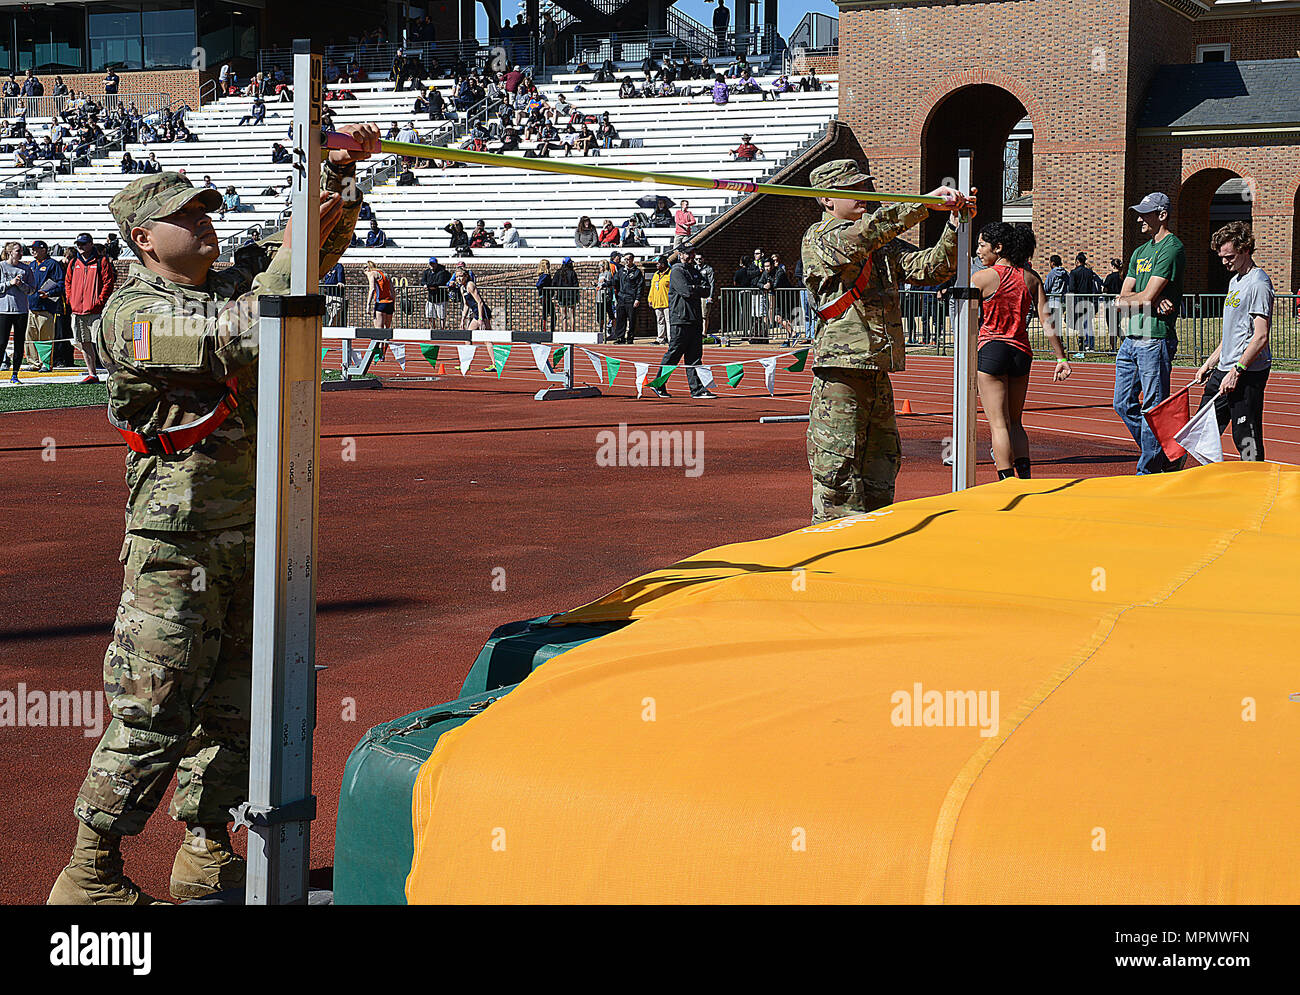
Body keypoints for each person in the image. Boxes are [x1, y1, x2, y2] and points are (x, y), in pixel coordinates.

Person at [46, 124, 379, 906]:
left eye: (207, 209)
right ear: (143, 238)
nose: (205, 221)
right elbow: (248, 334)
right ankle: (89, 872)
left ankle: (205, 848)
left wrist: (337, 168)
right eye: (185, 215)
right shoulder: (134, 311)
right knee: (156, 704)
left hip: (250, 534)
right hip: (175, 540)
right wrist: (294, 251)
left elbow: (313, 248)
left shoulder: (224, 281)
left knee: (238, 704)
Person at [801, 159, 971, 522]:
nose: (863, 195)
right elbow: (864, 235)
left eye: (864, 187)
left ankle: (874, 541)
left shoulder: (880, 242)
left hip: (876, 365)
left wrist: (954, 226)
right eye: (851, 190)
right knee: (838, 466)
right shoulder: (822, 237)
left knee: (881, 463)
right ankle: (831, 546)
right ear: (826, 199)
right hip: (842, 368)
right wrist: (922, 204)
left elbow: (931, 267)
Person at [969, 222, 1071, 481]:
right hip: (1021, 352)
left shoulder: (982, 278)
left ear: (999, 247)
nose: (978, 251)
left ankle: (1006, 481)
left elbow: (968, 320)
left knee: (998, 424)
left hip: (992, 348)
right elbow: (1047, 320)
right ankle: (1024, 477)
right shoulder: (1031, 278)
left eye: (982, 245)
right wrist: (1061, 357)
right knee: (1016, 422)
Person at [1113, 191, 1185, 475]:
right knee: (1122, 403)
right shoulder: (1139, 252)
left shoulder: (1172, 247)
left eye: (1146, 213)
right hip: (1132, 338)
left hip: (1155, 338)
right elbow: (1123, 297)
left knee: (1153, 407)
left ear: (1162, 215)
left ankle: (1148, 471)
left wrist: (1145, 298)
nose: (1140, 218)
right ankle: (1163, 454)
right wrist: (1146, 299)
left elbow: (1141, 296)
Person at [1190, 222, 1272, 461]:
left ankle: (1255, 482)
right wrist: (1209, 363)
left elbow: (1260, 336)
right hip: (1223, 369)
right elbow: (1233, 333)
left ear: (1245, 250)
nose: (1225, 262)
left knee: (1245, 436)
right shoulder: (1235, 281)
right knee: (1201, 427)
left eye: (1230, 257)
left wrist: (1237, 370)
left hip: (1246, 373)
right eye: (1222, 257)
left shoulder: (1258, 283)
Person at [652, 246, 715, 399]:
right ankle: (659, 383)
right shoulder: (677, 271)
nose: (691, 257)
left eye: (692, 254)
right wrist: (696, 288)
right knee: (674, 353)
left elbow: (707, 290)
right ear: (680, 255)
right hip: (680, 319)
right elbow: (685, 291)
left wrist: (695, 288)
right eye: (688, 254)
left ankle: (697, 389)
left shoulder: (694, 271)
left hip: (694, 319)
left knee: (695, 356)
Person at [23, 239, 63, 372]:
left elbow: (60, 284)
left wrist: (49, 293)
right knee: (30, 337)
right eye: (32, 248)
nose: (33, 251)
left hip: (46, 308)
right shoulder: (32, 265)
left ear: (44, 250)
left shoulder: (53, 265)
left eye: (35, 248)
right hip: (31, 307)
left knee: (45, 337)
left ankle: (46, 363)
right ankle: (33, 363)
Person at [0, 241, 34, 382]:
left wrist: (21, 285)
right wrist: (10, 283)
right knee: (2, 342)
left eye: (21, 251)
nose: (21, 253)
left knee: (20, 343)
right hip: (3, 310)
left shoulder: (25, 269)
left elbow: (32, 290)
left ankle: (15, 374)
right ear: (9, 252)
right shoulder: (1, 267)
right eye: (18, 251)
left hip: (21, 311)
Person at [1067, 251, 1101, 354]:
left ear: (1077, 261)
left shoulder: (1073, 273)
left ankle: (1083, 345)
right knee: (1088, 324)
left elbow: (1072, 288)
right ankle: (1090, 345)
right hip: (1089, 300)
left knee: (1080, 324)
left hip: (1078, 301)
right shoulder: (1090, 272)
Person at [613, 252, 644, 344]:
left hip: (631, 299)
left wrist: (637, 299)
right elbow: (614, 281)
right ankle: (620, 338)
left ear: (632, 260)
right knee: (620, 319)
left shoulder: (637, 272)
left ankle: (630, 337)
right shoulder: (621, 271)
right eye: (624, 259)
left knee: (631, 320)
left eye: (627, 259)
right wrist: (604, 284)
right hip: (622, 298)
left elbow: (640, 286)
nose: (626, 261)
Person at [365, 259, 395, 328]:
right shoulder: (385, 274)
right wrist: (393, 303)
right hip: (389, 302)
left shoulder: (371, 273)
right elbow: (392, 290)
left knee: (379, 330)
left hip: (380, 302)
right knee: (387, 330)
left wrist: (368, 305)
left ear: (368, 268)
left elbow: (372, 289)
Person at [649, 255, 671, 345]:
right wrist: (650, 299)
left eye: (658, 264)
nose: (656, 265)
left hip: (667, 303)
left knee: (669, 321)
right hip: (657, 302)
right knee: (660, 321)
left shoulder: (670, 274)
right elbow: (652, 287)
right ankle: (660, 338)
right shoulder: (656, 274)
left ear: (663, 264)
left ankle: (670, 339)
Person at [320, 258, 346, 326]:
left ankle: (329, 329)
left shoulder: (338, 266)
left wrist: (340, 281)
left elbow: (340, 275)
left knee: (335, 315)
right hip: (328, 294)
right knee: (332, 315)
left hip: (337, 295)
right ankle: (335, 331)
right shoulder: (326, 268)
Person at [535, 259, 555, 334]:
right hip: (545, 296)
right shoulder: (545, 275)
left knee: (548, 313)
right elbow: (538, 284)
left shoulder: (543, 275)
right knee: (547, 314)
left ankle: (545, 330)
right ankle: (545, 330)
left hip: (546, 297)